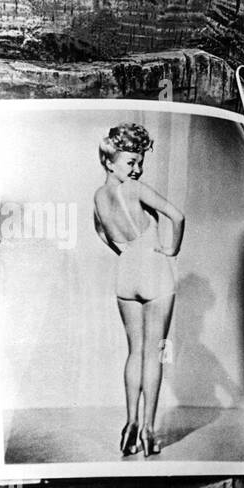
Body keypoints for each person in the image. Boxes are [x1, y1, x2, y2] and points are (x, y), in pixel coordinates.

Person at [93, 123, 185, 457]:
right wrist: (171, 251)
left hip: (126, 274)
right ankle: (148, 429)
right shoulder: (136, 189)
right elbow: (177, 216)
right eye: (131, 162)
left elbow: (103, 234)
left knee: (135, 351)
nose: (137, 168)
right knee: (154, 353)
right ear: (109, 161)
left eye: (139, 161)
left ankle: (129, 423)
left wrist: (126, 252)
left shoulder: (99, 197)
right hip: (154, 269)